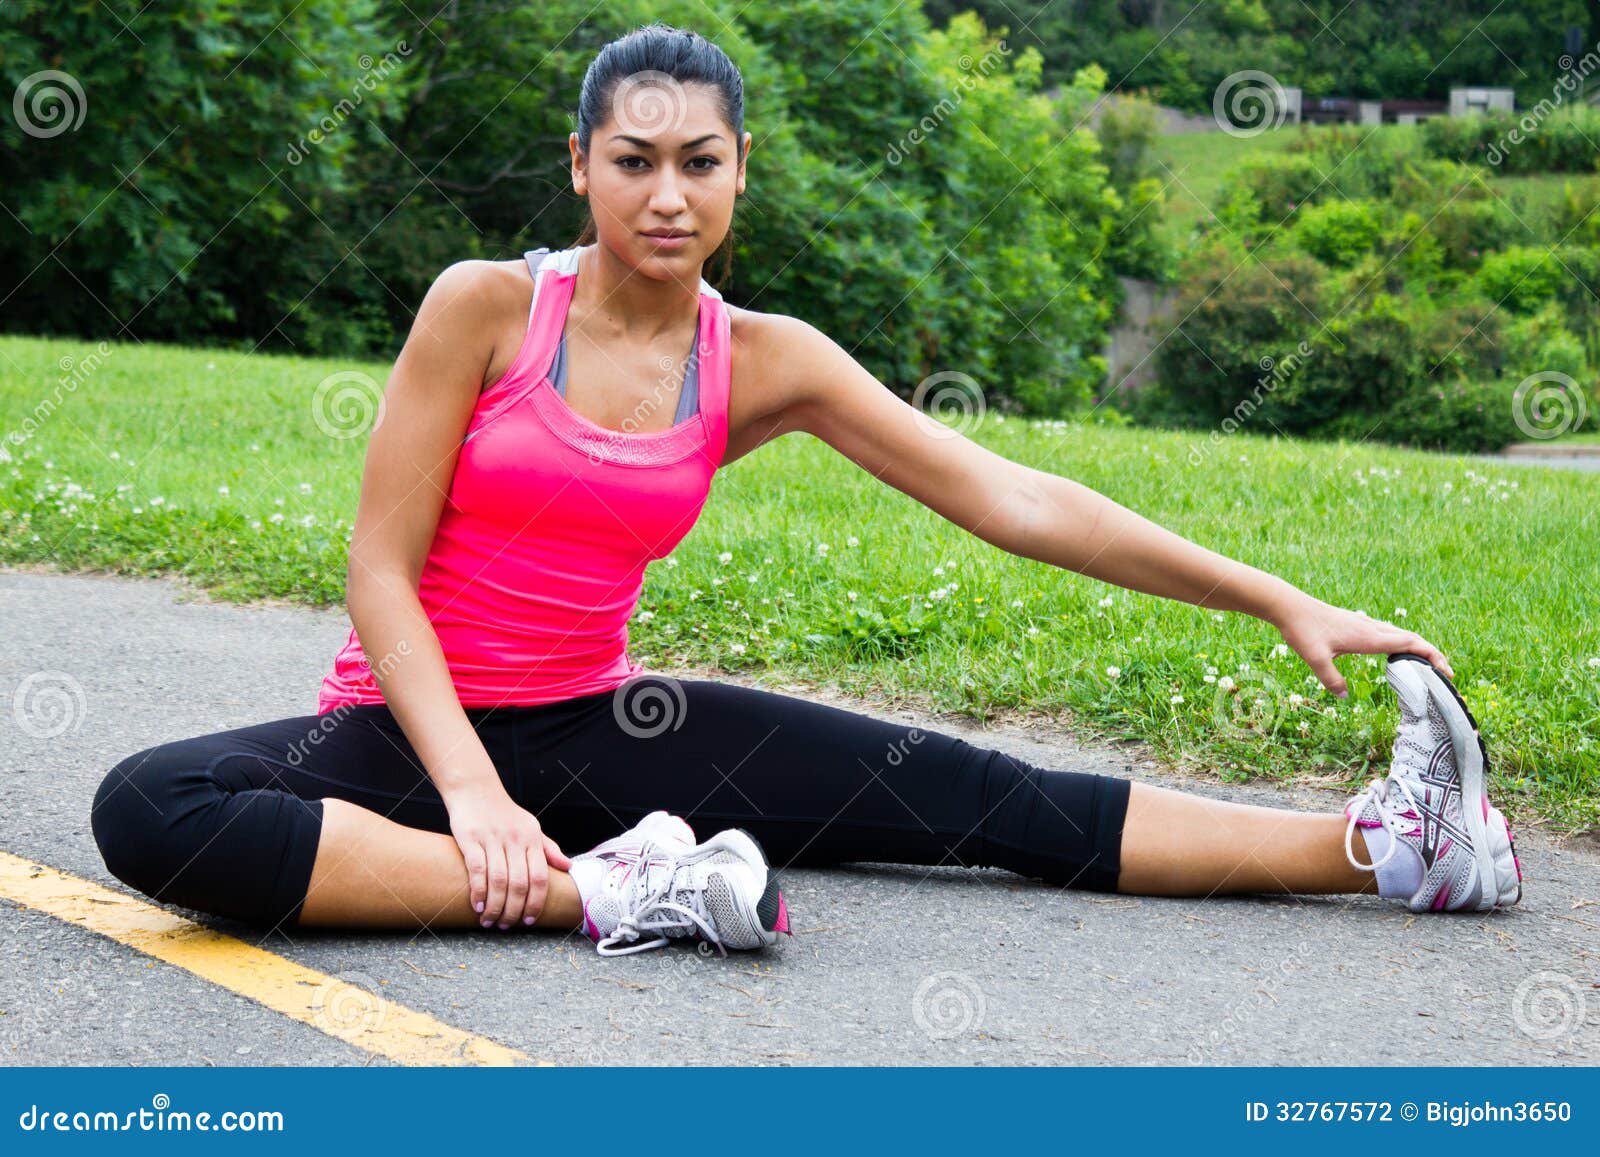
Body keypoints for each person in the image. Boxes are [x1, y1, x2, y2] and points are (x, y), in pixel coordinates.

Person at [89, 24, 1522, 959]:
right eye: (633, 161)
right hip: (408, 737)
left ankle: (1390, 847)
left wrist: (1276, 594)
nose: (667, 195)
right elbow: (380, 574)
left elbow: (1013, 498)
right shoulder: (480, 310)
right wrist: (471, 797)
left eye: (698, 164)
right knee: (155, 807)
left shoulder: (763, 361)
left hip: (611, 729)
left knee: (979, 798)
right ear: (579, 167)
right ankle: (626, 890)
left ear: (739, 175)